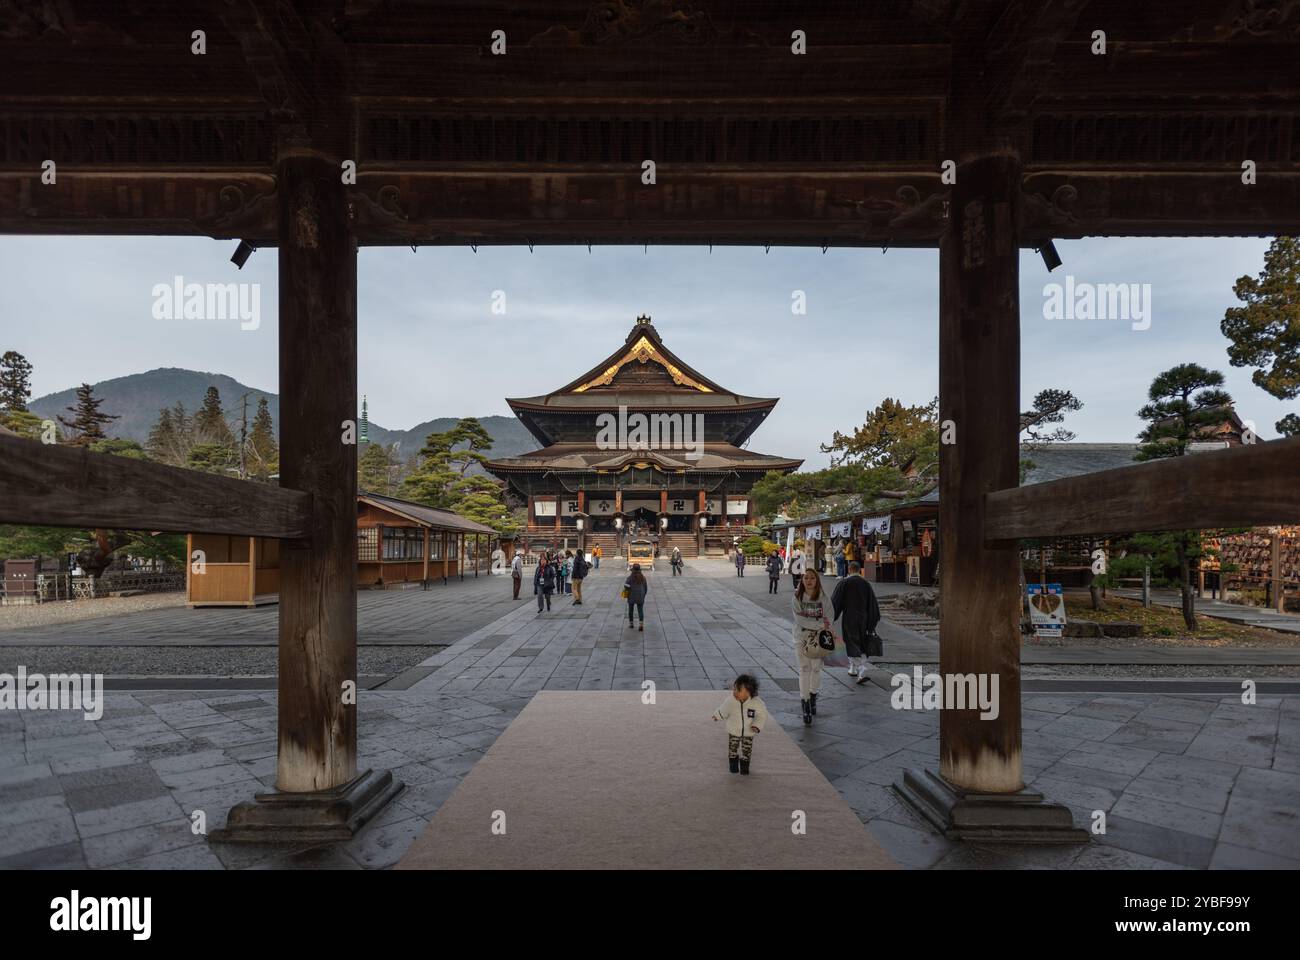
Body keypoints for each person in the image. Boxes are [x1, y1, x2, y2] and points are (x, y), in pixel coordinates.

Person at [792, 568, 834, 725]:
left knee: (816, 668)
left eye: (812, 578)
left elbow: (830, 616)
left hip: (819, 639)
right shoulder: (797, 597)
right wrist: (819, 623)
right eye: (806, 578)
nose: (809, 581)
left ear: (817, 580)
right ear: (802, 581)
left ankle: (813, 694)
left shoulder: (824, 598)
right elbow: (799, 619)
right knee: (804, 669)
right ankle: (805, 703)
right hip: (801, 638)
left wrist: (822, 625)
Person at [832, 560, 882, 683]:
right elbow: (873, 604)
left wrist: (830, 616)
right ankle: (853, 668)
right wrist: (872, 620)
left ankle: (861, 669)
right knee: (861, 641)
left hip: (849, 617)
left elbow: (835, 602)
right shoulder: (866, 584)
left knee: (851, 642)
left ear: (849, 569)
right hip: (864, 618)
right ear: (859, 570)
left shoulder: (844, 583)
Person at [711, 674, 768, 775]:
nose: (735, 692)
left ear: (748, 692)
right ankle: (733, 765)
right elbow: (724, 709)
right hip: (733, 730)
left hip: (749, 732)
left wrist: (756, 725)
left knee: (747, 750)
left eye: (738, 690)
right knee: (732, 748)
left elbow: (761, 715)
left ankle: (745, 766)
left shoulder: (757, 703)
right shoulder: (730, 701)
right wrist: (717, 715)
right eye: (734, 689)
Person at [624, 562, 648, 631]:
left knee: (630, 610)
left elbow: (626, 586)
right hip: (640, 596)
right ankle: (641, 625)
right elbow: (645, 588)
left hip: (631, 595)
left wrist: (626, 592)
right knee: (640, 610)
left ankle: (631, 624)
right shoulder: (643, 578)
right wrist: (643, 594)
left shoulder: (630, 578)